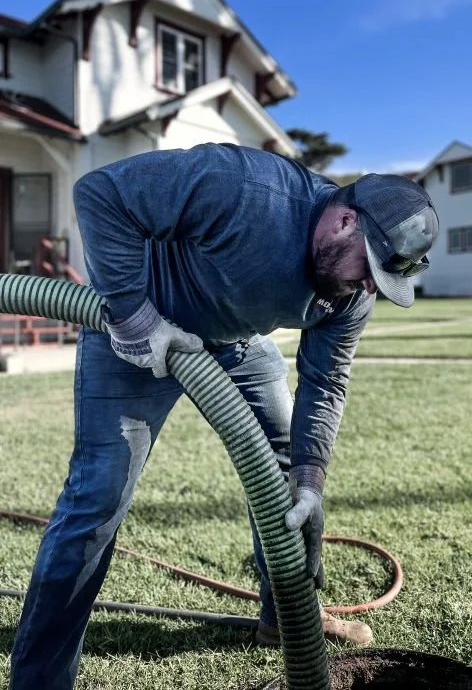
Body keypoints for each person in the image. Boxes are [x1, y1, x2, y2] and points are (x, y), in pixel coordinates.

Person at [9, 142, 439, 689]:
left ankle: (287, 621)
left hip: (235, 343)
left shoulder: (354, 292)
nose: (371, 286)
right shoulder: (243, 187)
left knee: (291, 479)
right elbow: (100, 194)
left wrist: (311, 474)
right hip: (137, 333)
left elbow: (326, 380)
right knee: (97, 496)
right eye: (371, 266)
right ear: (344, 221)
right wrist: (136, 317)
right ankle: (39, 682)